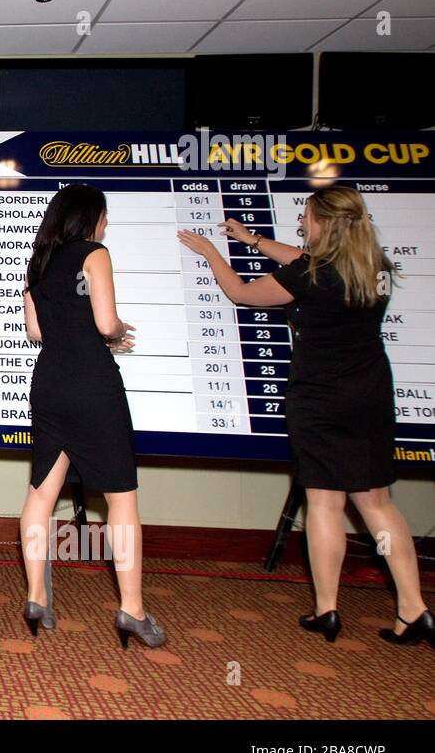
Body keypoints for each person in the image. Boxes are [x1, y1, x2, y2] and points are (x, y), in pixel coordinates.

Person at [179, 186, 431, 647]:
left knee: (325, 503)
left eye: (307, 217)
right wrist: (252, 239)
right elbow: (301, 258)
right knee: (377, 503)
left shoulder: (311, 275)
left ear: (325, 224)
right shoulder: (373, 267)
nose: (301, 223)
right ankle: (413, 608)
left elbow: (240, 293)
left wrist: (212, 251)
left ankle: (327, 609)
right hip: (372, 392)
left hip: (321, 398)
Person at [21, 184, 166, 649]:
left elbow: (36, 331)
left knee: (42, 494)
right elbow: (106, 323)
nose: (107, 225)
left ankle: (37, 597)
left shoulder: (39, 263)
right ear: (90, 219)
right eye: (104, 216)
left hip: (48, 385)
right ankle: (132, 610)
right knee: (121, 500)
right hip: (91, 386)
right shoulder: (95, 254)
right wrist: (119, 335)